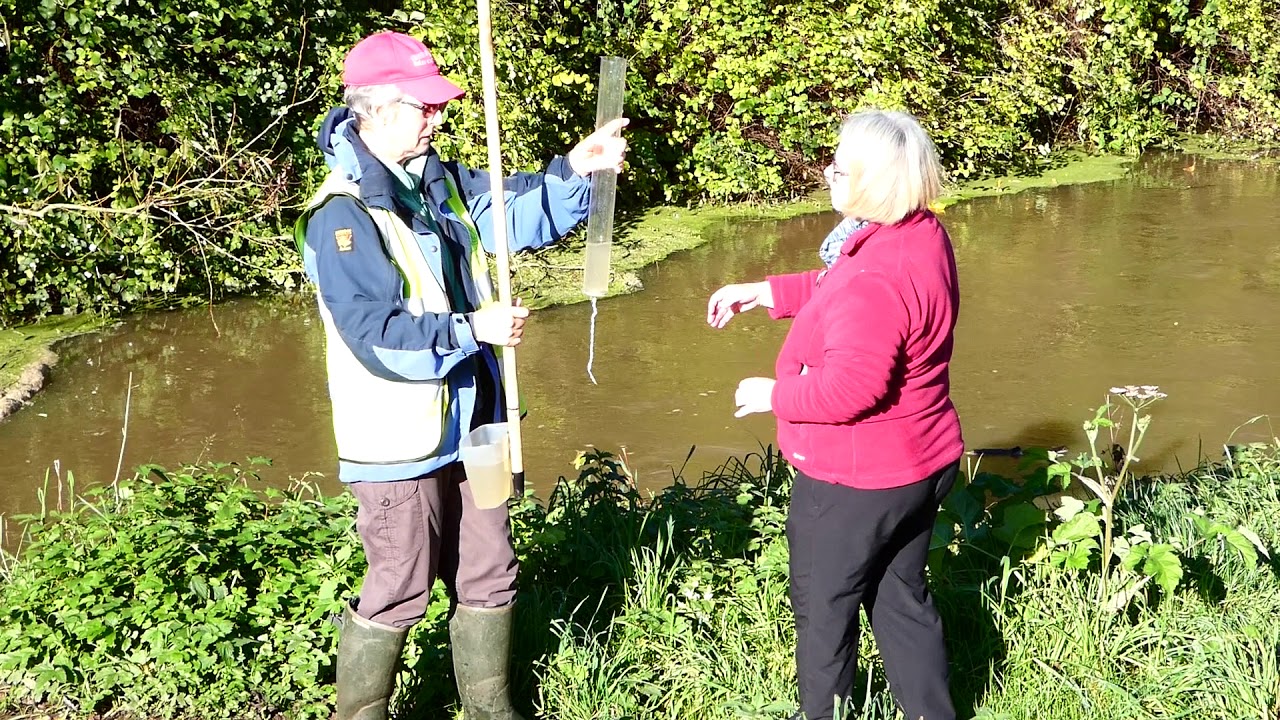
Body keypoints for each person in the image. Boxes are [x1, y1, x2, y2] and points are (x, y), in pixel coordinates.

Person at [297, 31, 627, 720]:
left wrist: (576, 168)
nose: (438, 117)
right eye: (425, 107)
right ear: (378, 111)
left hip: (477, 425)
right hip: (399, 443)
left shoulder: (439, 181)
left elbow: (514, 215)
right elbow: (377, 338)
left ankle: (490, 709)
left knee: (490, 569)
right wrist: (470, 330)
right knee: (400, 582)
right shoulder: (343, 215)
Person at [706, 109, 963, 720]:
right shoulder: (917, 235)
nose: (828, 173)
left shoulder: (873, 275)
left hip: (856, 482)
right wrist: (768, 293)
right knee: (901, 598)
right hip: (922, 461)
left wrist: (774, 396)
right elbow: (841, 288)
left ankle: (823, 712)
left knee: (823, 612)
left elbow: (852, 387)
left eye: (839, 167)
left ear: (872, 183)